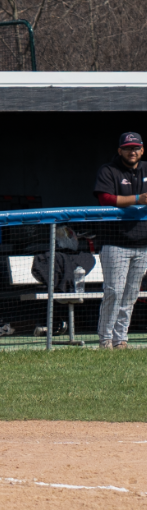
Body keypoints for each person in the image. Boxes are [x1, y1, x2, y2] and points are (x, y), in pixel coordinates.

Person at [93, 132, 147, 350]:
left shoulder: (146, 169)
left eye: (135, 147)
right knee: (114, 291)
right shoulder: (109, 170)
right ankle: (105, 339)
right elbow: (104, 199)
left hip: (143, 243)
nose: (131, 151)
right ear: (120, 150)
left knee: (131, 294)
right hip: (115, 242)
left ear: (142, 150)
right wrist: (138, 199)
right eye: (127, 148)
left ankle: (121, 339)